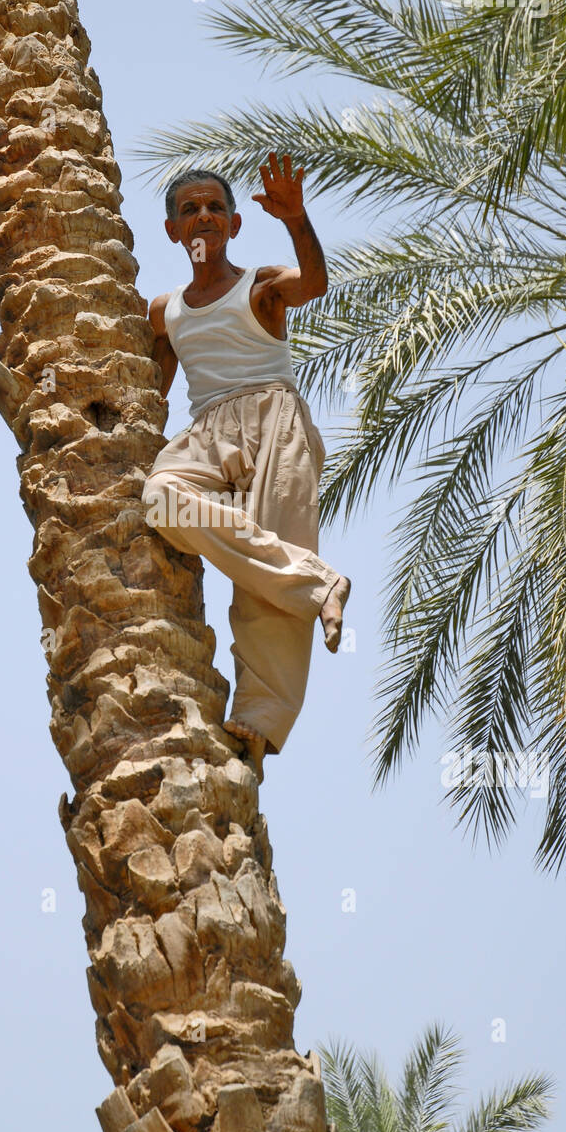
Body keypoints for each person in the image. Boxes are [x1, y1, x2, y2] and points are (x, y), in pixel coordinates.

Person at [142, 153, 351, 783]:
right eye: (189, 210)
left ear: (233, 225)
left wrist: (297, 219)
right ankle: (317, 582)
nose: (202, 216)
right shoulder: (165, 312)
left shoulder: (259, 284)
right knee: (160, 497)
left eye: (214, 208)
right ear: (173, 232)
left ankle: (258, 726)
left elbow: (312, 284)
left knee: (266, 586)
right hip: (209, 433)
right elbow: (152, 392)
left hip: (275, 421)